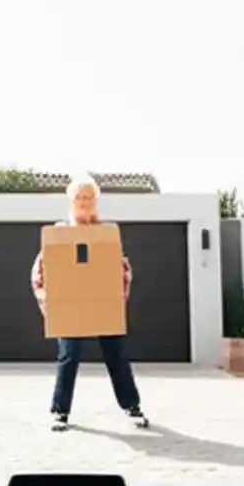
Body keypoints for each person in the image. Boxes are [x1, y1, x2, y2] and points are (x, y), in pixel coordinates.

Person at [31, 173, 149, 432]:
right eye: (80, 197)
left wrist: (116, 301)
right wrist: (51, 306)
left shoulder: (106, 234)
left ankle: (132, 408)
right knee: (68, 357)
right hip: (70, 307)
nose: (84, 202)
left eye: (89, 197)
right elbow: (39, 273)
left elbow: (123, 270)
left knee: (116, 356)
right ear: (71, 201)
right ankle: (60, 412)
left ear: (96, 201)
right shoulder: (59, 233)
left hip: (103, 306)